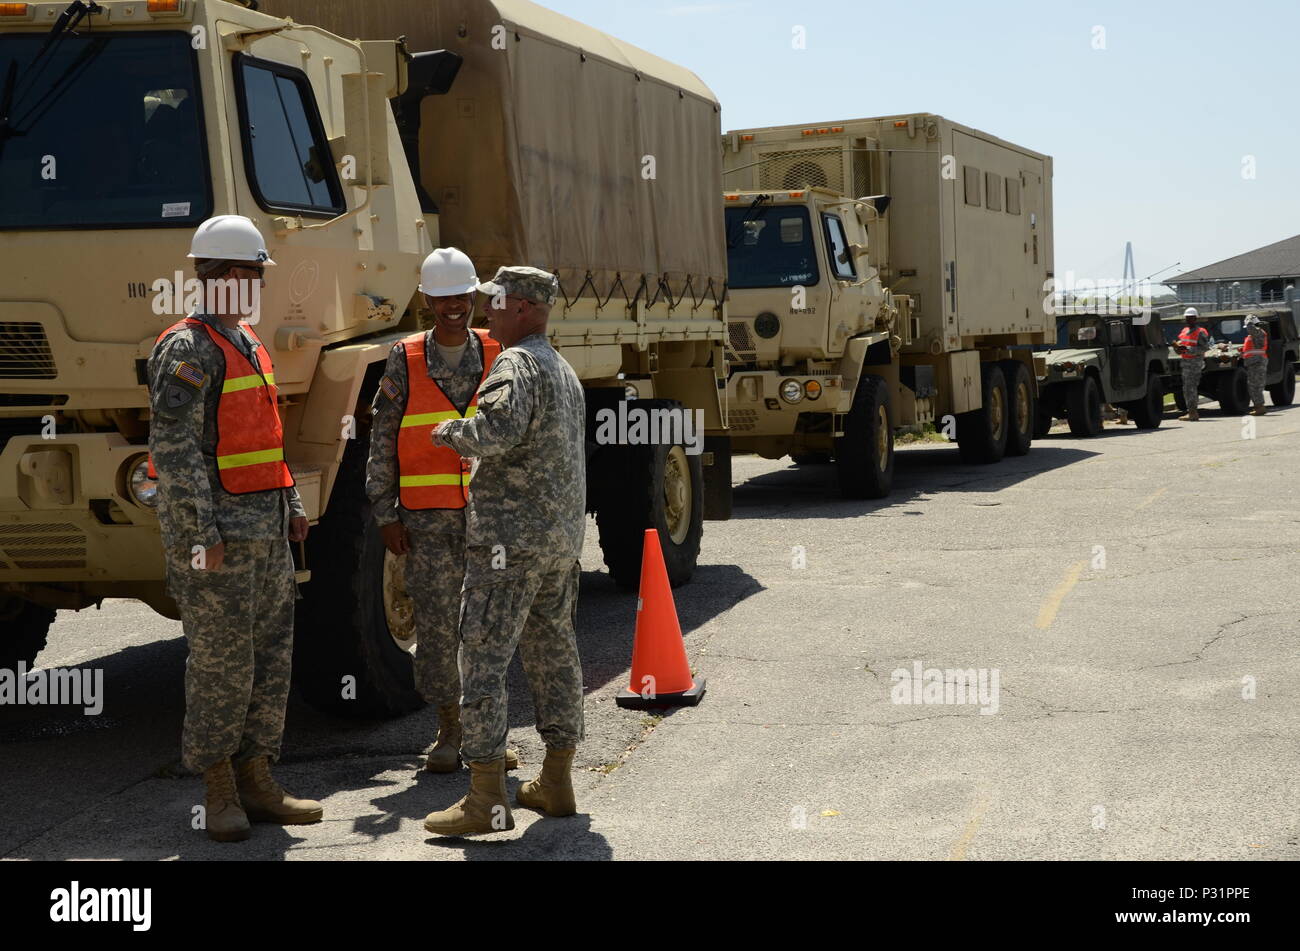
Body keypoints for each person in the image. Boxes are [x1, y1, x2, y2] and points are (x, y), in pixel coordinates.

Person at [147, 215, 322, 843]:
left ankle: (258, 778)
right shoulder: (187, 349)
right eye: (251, 273)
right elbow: (175, 453)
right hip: (218, 543)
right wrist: (201, 536)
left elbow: (266, 441)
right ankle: (218, 788)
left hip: (266, 533)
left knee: (270, 659)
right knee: (221, 665)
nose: (257, 285)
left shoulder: (247, 341)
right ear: (220, 275)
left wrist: (293, 504)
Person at [421, 266, 587, 837]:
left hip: (507, 546)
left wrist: (446, 431)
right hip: (558, 542)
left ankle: (486, 800)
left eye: (494, 302)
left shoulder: (515, 364)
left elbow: (492, 431)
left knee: (484, 664)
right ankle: (557, 782)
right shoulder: (563, 369)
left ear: (520, 306)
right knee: (554, 655)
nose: (486, 311)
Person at [364, 247, 517, 773]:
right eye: (442, 297)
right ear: (426, 300)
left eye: (462, 297)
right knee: (436, 628)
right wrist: (385, 513)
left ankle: (488, 737)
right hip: (426, 523)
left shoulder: (501, 353)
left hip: (491, 521)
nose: (453, 307)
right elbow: (383, 439)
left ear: (473, 298)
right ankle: (449, 729)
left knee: (490, 628)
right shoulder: (403, 359)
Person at [1175, 307, 1210, 421]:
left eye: (1190, 318)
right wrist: (1178, 348)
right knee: (1187, 388)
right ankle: (1191, 411)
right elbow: (1181, 345)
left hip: (1195, 363)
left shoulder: (1201, 332)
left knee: (1190, 388)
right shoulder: (1184, 331)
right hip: (1185, 363)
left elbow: (1204, 347)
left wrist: (1187, 349)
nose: (1188, 320)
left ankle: (1193, 413)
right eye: (1187, 318)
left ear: (1195, 318)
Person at [1243, 314, 1269, 416]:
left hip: (1257, 362)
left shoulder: (1258, 332)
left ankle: (1260, 407)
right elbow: (1249, 348)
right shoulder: (1253, 335)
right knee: (1253, 385)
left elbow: (1250, 327)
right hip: (1253, 362)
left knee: (1255, 386)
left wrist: (1249, 319)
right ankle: (1258, 406)